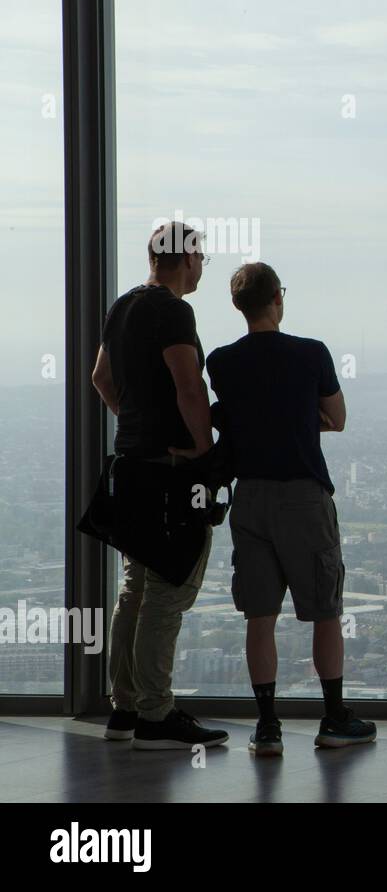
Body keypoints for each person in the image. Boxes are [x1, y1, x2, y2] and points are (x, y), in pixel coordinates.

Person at [206, 262, 376, 756]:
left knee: (259, 617)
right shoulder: (311, 354)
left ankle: (267, 727)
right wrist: (301, 420)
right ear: (278, 298)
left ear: (238, 305)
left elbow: (232, 420)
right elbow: (338, 419)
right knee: (326, 610)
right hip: (303, 497)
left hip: (251, 496)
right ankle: (334, 717)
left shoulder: (221, 361)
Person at [92, 221, 229, 750]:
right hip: (170, 471)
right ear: (189, 258)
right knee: (169, 594)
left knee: (136, 589)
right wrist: (202, 449)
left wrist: (135, 422)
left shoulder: (122, 307)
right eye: (202, 259)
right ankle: (156, 715)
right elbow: (188, 385)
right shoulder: (173, 311)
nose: (201, 269)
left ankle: (124, 709)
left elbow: (101, 379)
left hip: (129, 465)